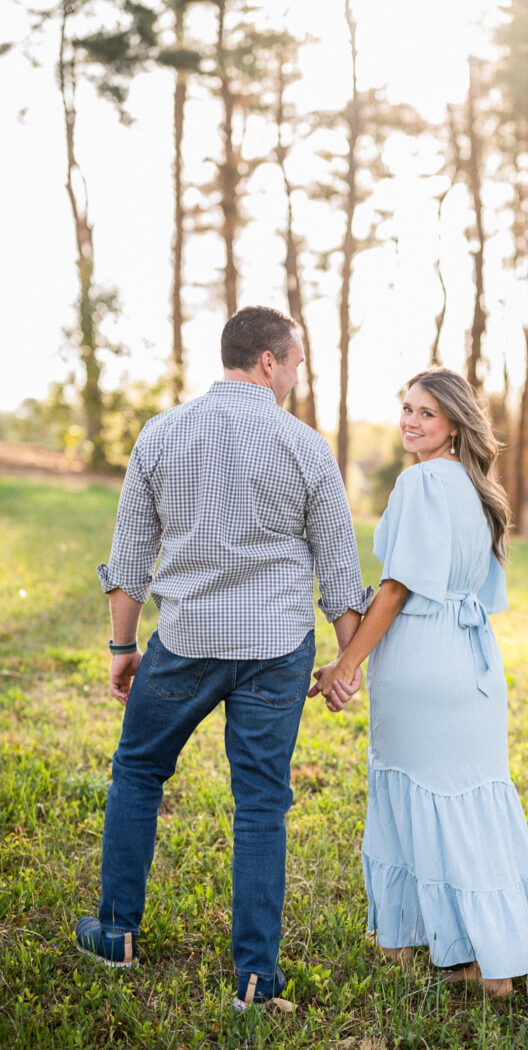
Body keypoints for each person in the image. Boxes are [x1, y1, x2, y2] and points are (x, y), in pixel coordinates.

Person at [75, 305, 371, 1013]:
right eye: (295, 362)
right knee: (262, 804)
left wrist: (123, 646)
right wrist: (344, 665)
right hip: (276, 653)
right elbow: (339, 573)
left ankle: (115, 933)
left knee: (139, 771)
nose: (297, 376)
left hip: (184, 645)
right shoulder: (306, 447)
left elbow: (128, 561)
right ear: (269, 361)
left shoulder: (161, 434)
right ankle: (255, 982)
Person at [312, 367, 528, 996]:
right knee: (472, 800)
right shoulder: (479, 489)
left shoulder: (422, 482)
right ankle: (487, 957)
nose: (410, 421)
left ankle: (418, 943)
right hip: (473, 662)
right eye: (405, 409)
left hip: (424, 656)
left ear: (454, 422)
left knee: (411, 794)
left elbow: (398, 587)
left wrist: (345, 665)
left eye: (425, 412)